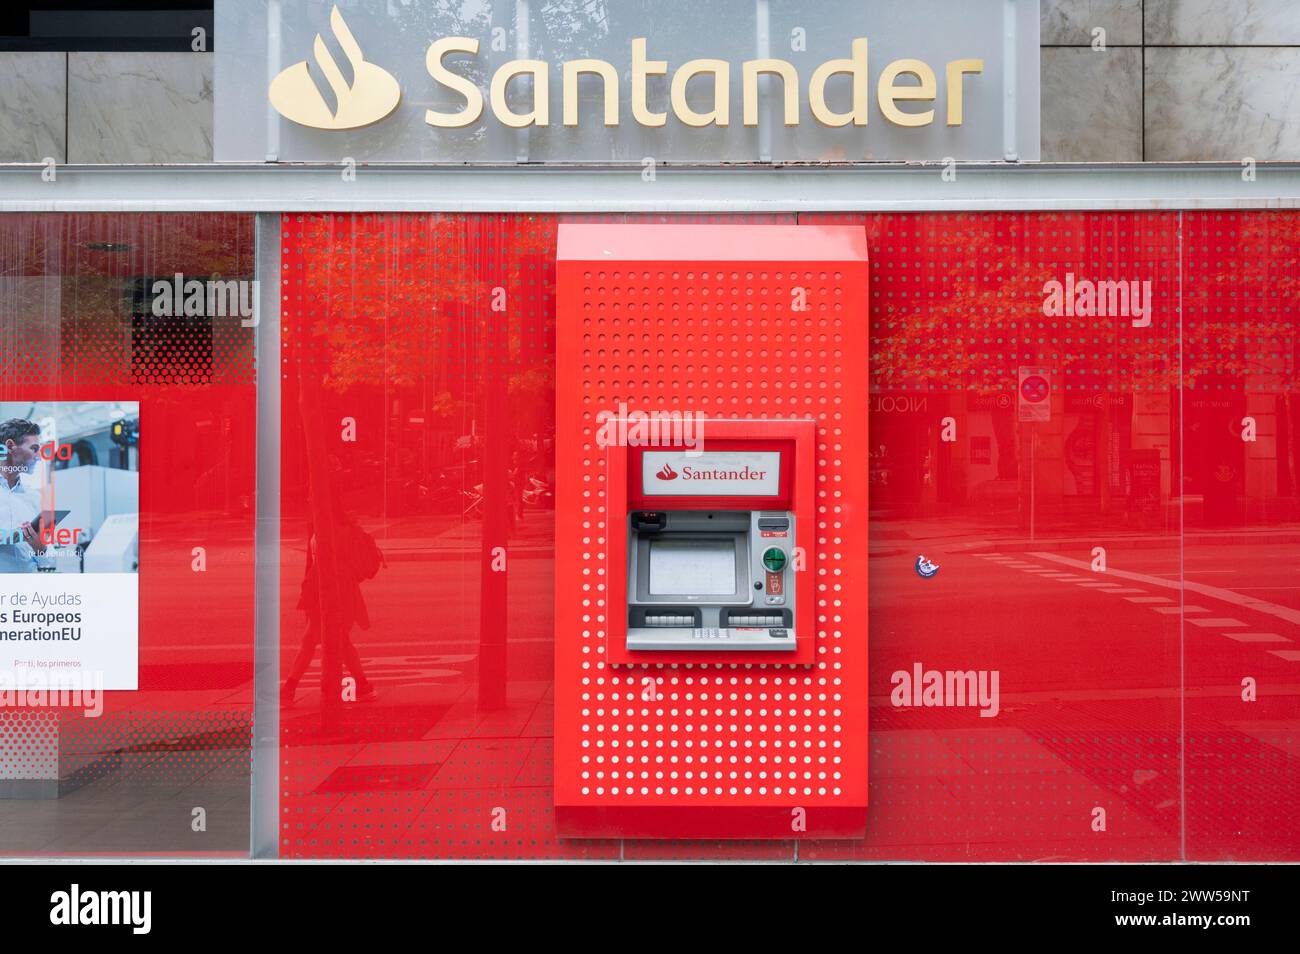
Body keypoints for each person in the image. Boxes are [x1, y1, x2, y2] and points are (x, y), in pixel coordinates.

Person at [282, 504, 379, 705]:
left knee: (314, 639)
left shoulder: (331, 528)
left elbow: (320, 560)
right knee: (340, 640)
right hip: (328, 587)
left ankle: (289, 689)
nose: (308, 501)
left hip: (331, 587)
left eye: (310, 498)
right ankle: (362, 686)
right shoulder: (326, 525)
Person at [0, 419, 49, 573]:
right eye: (34, 449)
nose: (39, 456)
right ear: (10, 447)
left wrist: (40, 548)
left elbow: (48, 558)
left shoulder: (34, 497)